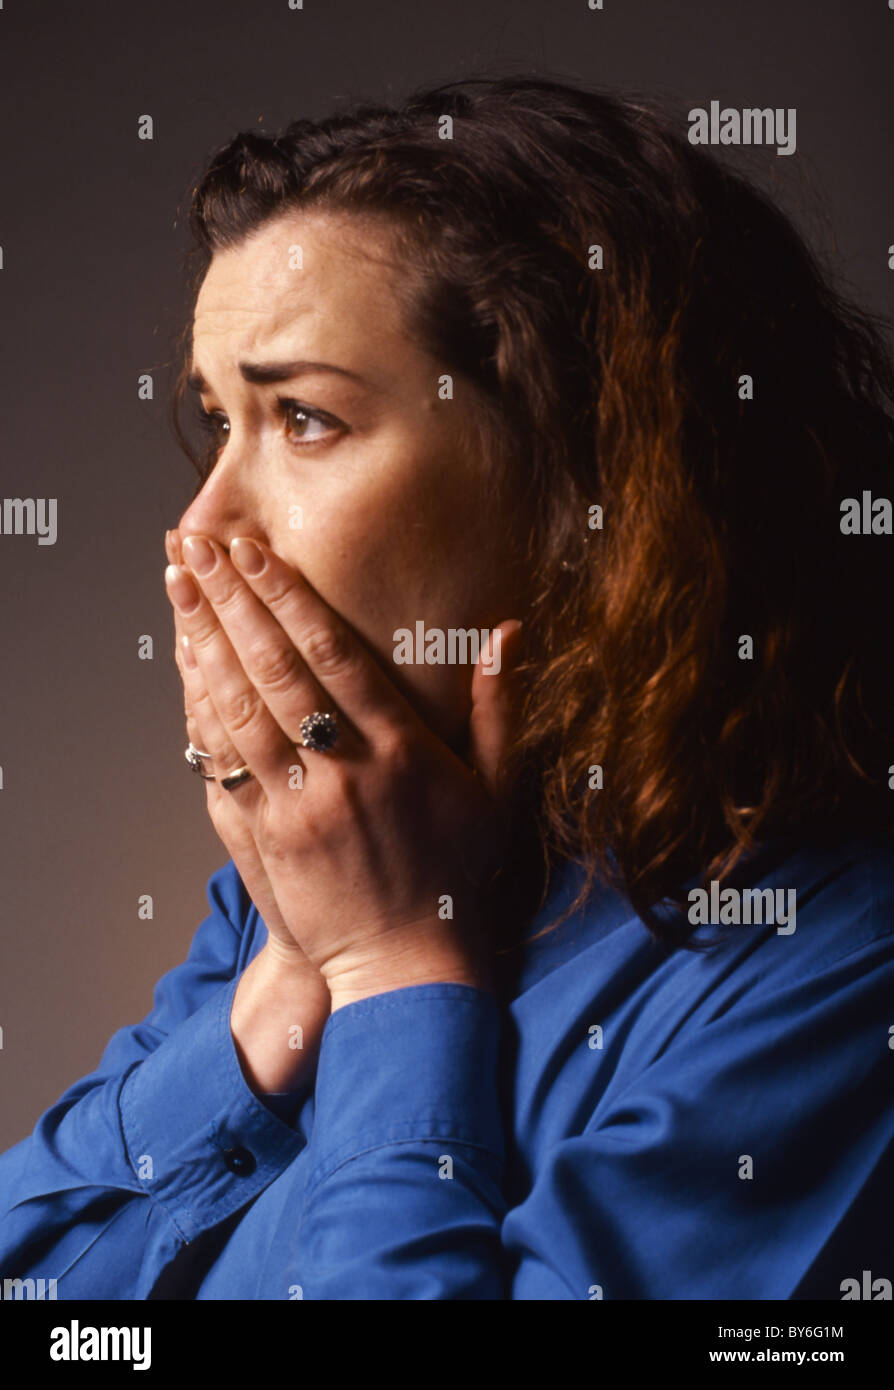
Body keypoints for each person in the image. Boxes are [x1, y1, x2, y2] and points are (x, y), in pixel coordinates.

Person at [2, 73, 893, 1301]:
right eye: (221, 424)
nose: (199, 527)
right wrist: (282, 1001)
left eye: (305, 416)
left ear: (590, 477)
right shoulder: (315, 866)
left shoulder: (832, 977)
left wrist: (393, 973)